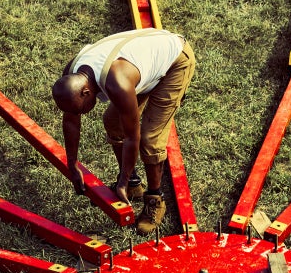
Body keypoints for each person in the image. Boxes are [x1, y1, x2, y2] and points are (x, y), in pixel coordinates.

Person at [52, 28, 195, 233]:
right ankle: (133, 185)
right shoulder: (72, 74)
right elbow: (71, 121)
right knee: (113, 122)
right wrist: (72, 164)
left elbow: (132, 137)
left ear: (86, 91)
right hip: (145, 61)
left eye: (81, 109)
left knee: (149, 138)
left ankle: (155, 199)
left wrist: (122, 179)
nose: (80, 114)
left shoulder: (117, 82)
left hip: (175, 62)